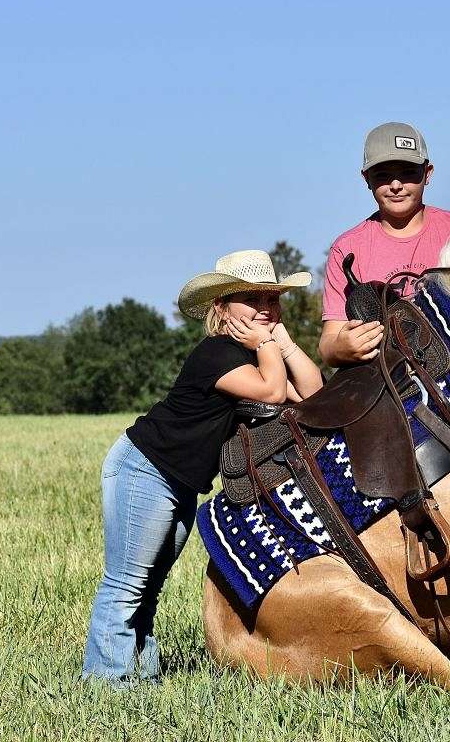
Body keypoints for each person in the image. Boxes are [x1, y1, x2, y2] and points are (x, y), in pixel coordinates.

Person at [81, 250, 322, 685]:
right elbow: (272, 392)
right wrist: (268, 345)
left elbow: (311, 394)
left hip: (179, 483)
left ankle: (142, 682)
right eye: (252, 298)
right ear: (222, 308)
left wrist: (282, 342)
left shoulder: (252, 356)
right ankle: (104, 691)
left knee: (148, 591)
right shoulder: (217, 353)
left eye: (273, 298)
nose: (265, 307)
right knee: (127, 586)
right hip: (145, 470)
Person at [318, 121, 450, 366]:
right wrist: (343, 348)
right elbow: (328, 344)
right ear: (366, 179)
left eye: (408, 173)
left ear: (427, 174)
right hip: (391, 382)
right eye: (383, 176)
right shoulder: (347, 248)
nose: (396, 186)